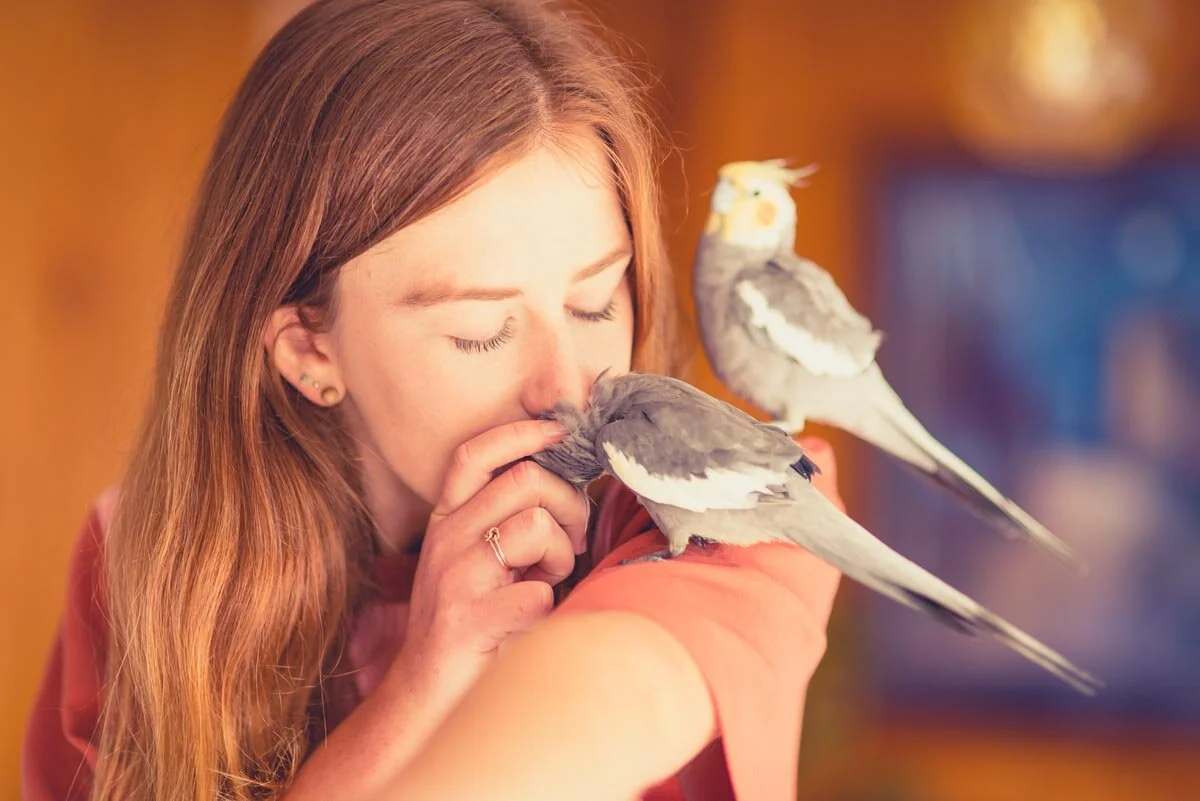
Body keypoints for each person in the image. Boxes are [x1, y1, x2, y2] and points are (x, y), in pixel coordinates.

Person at [21, 0, 845, 798]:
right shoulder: (143, 563)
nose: (569, 387)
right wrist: (418, 691)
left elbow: (620, 694)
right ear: (310, 350)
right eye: (481, 332)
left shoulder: (747, 505)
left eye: (597, 303)